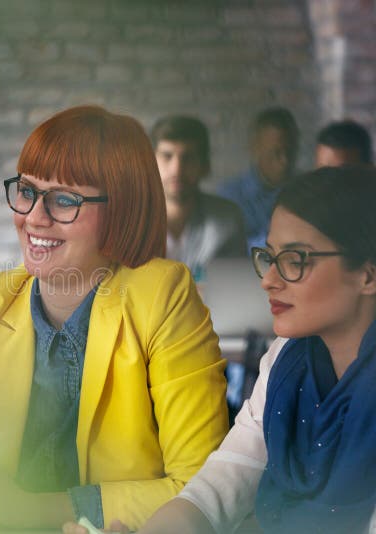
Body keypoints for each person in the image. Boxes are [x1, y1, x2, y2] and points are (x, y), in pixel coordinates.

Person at [0, 105, 229, 533]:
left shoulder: (163, 296)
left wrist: (29, 509)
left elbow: (201, 489)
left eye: (64, 200)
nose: (33, 217)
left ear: (121, 208)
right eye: (27, 191)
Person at [116, 165, 376, 534]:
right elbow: (214, 492)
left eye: (294, 260)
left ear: (368, 274)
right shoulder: (288, 358)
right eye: (270, 257)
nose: (269, 280)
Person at [150, 115, 246, 277]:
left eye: (188, 158)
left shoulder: (228, 219)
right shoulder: (129, 221)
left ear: (205, 165)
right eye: (167, 156)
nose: (177, 170)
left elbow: (235, 288)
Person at [217, 106, 299, 251]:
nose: (285, 161)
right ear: (255, 148)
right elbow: (227, 251)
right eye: (276, 152)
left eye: (290, 151)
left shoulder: (307, 191)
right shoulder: (230, 198)